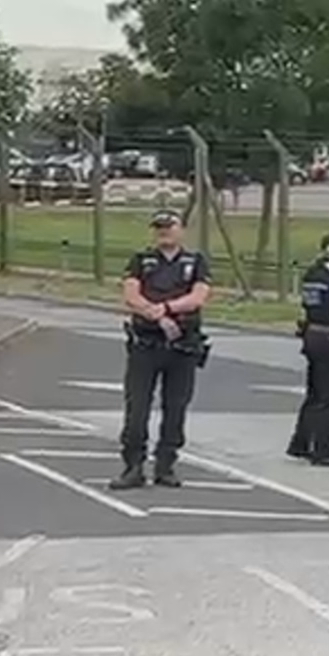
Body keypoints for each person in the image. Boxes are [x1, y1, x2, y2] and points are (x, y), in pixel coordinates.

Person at [109, 210, 211, 491]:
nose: (163, 232)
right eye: (158, 228)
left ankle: (166, 465)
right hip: (146, 344)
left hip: (182, 347)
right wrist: (157, 317)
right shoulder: (141, 260)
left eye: (169, 227)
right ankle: (133, 466)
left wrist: (167, 308)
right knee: (137, 408)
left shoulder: (195, 262)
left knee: (176, 407)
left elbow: (199, 297)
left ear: (182, 230)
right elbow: (131, 295)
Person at [288, 233, 329, 467]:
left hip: (311, 335)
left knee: (315, 392)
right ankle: (323, 450)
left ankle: (301, 443)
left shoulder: (312, 272)